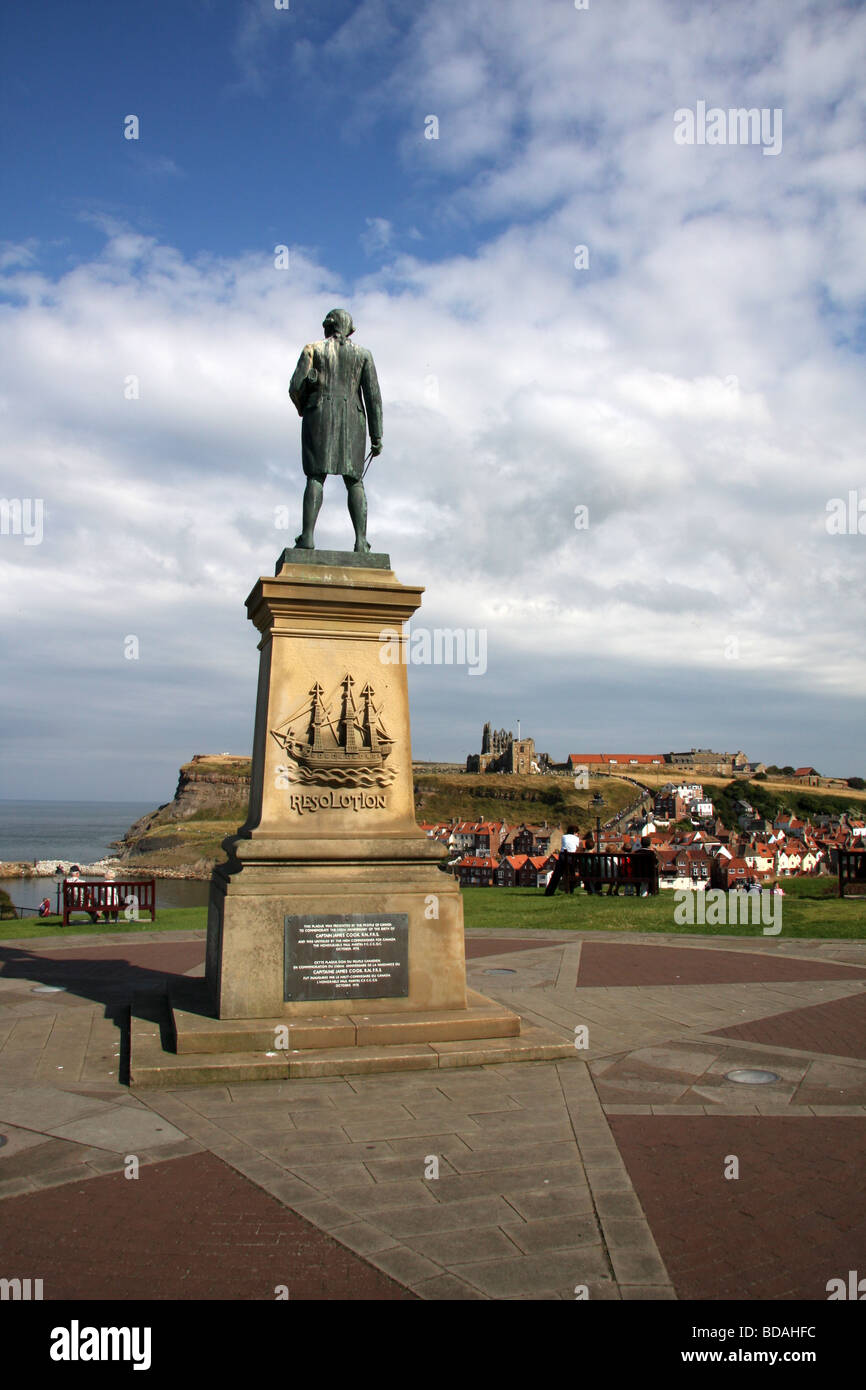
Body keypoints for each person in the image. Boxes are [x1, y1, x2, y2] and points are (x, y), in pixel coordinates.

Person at [289, 309, 383, 553]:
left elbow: (294, 386)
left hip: (318, 415)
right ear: (349, 329)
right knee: (354, 481)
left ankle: (308, 537)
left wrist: (305, 405)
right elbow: (373, 398)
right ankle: (361, 542)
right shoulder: (363, 354)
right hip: (353, 419)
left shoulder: (313, 349)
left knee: (315, 477)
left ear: (328, 327)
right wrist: (377, 435)